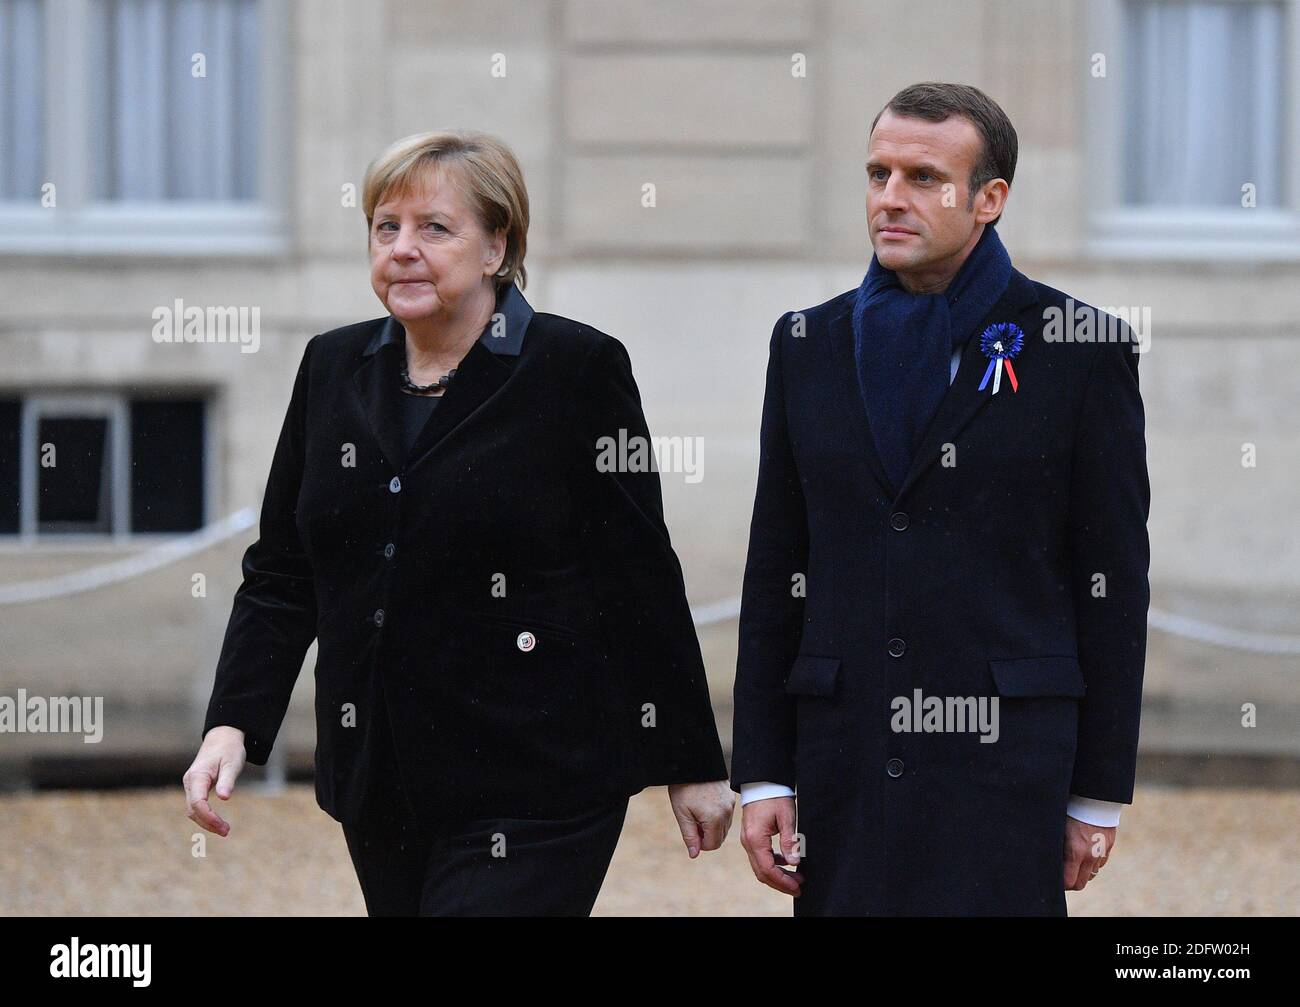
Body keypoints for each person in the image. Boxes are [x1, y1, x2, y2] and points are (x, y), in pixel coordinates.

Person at [183, 130, 733, 916]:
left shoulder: (576, 370)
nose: (403, 249)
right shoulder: (333, 367)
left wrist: (690, 758)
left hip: (537, 782)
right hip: (381, 777)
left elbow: (637, 571)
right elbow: (284, 570)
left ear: (496, 247)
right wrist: (233, 722)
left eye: (434, 228)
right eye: (386, 227)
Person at [732, 82, 1150, 915]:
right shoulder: (806, 344)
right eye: (878, 172)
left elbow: (1112, 580)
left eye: (924, 178)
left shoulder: (1081, 348)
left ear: (989, 199)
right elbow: (777, 562)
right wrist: (764, 772)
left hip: (1005, 765)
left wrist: (1096, 796)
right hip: (844, 756)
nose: (890, 198)